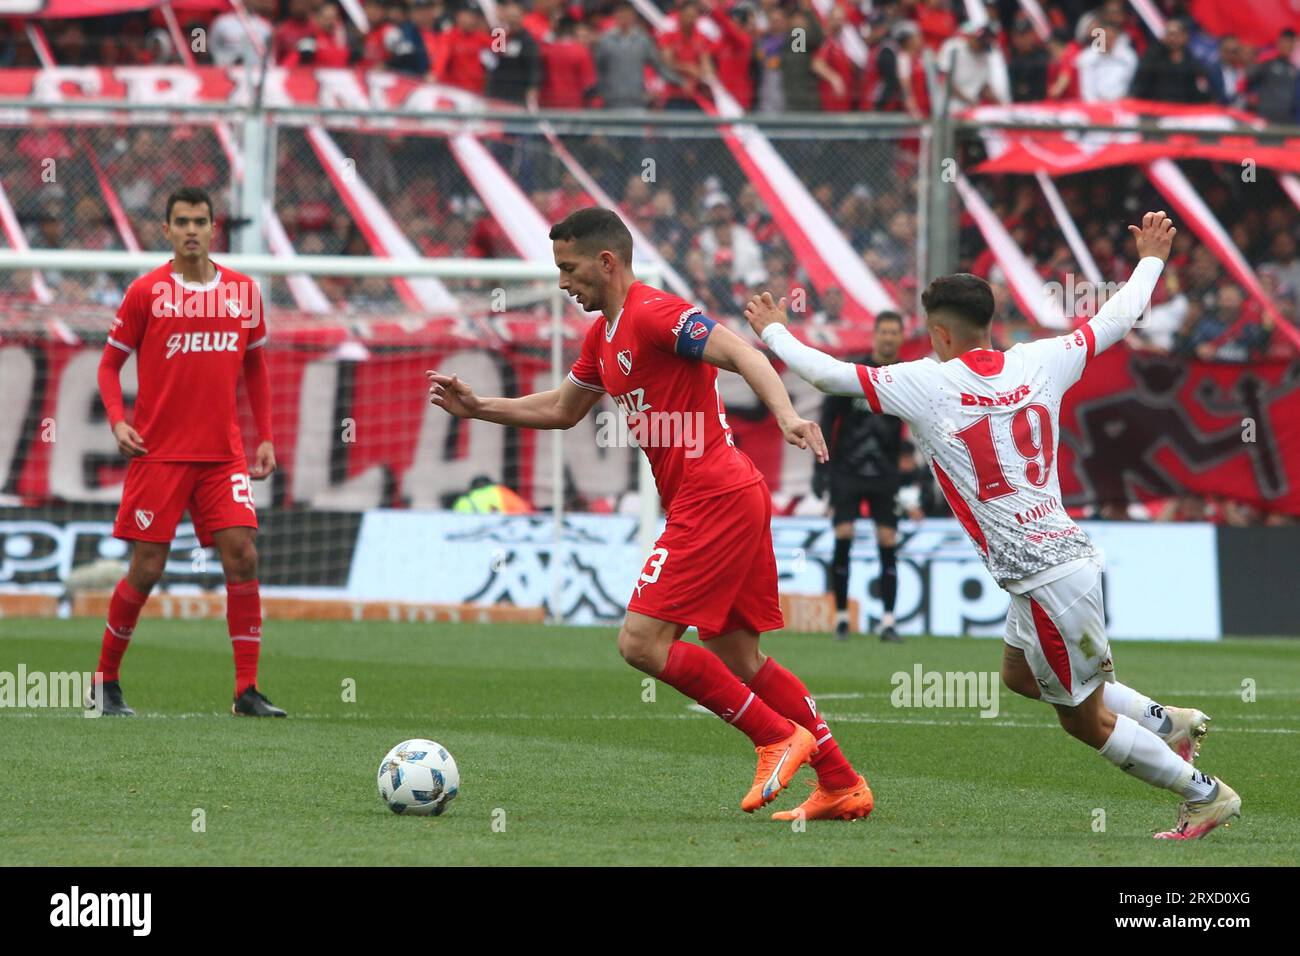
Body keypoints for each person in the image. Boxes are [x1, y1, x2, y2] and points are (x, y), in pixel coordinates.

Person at [747, 212, 1242, 840]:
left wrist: (774, 333)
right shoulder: (1041, 360)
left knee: (1083, 721)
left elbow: (828, 376)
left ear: (940, 333)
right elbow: (1117, 319)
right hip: (1055, 562)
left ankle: (1205, 795)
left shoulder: (927, 382)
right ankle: (1165, 720)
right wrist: (1149, 258)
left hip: (1043, 578)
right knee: (1017, 675)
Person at [427, 208, 873, 821]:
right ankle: (842, 781)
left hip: (713, 493)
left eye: (569, 268)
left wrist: (787, 416)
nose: (562, 282)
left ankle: (774, 737)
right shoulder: (602, 334)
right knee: (740, 657)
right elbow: (562, 408)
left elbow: (743, 353)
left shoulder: (654, 312)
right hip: (722, 495)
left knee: (640, 642)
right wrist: (480, 408)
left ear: (606, 262)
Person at [91, 187, 284, 718]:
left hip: (223, 454)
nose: (192, 229)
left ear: (213, 227)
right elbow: (109, 366)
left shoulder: (243, 292)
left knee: (242, 553)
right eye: (182, 221)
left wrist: (264, 435)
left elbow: (255, 367)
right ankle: (104, 681)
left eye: (201, 220)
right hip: (159, 454)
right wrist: (117, 421)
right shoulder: (145, 293)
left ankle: (247, 690)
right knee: (147, 567)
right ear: (167, 229)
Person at [816, 311, 906, 642]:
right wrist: (821, 469)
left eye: (894, 332)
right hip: (847, 470)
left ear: (900, 337)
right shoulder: (854, 375)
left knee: (888, 541)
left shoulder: (906, 377)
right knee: (844, 535)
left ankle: (888, 621)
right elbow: (828, 418)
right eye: (883, 331)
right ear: (875, 335)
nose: (887, 337)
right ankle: (841, 617)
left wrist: (917, 479)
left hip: (886, 472)